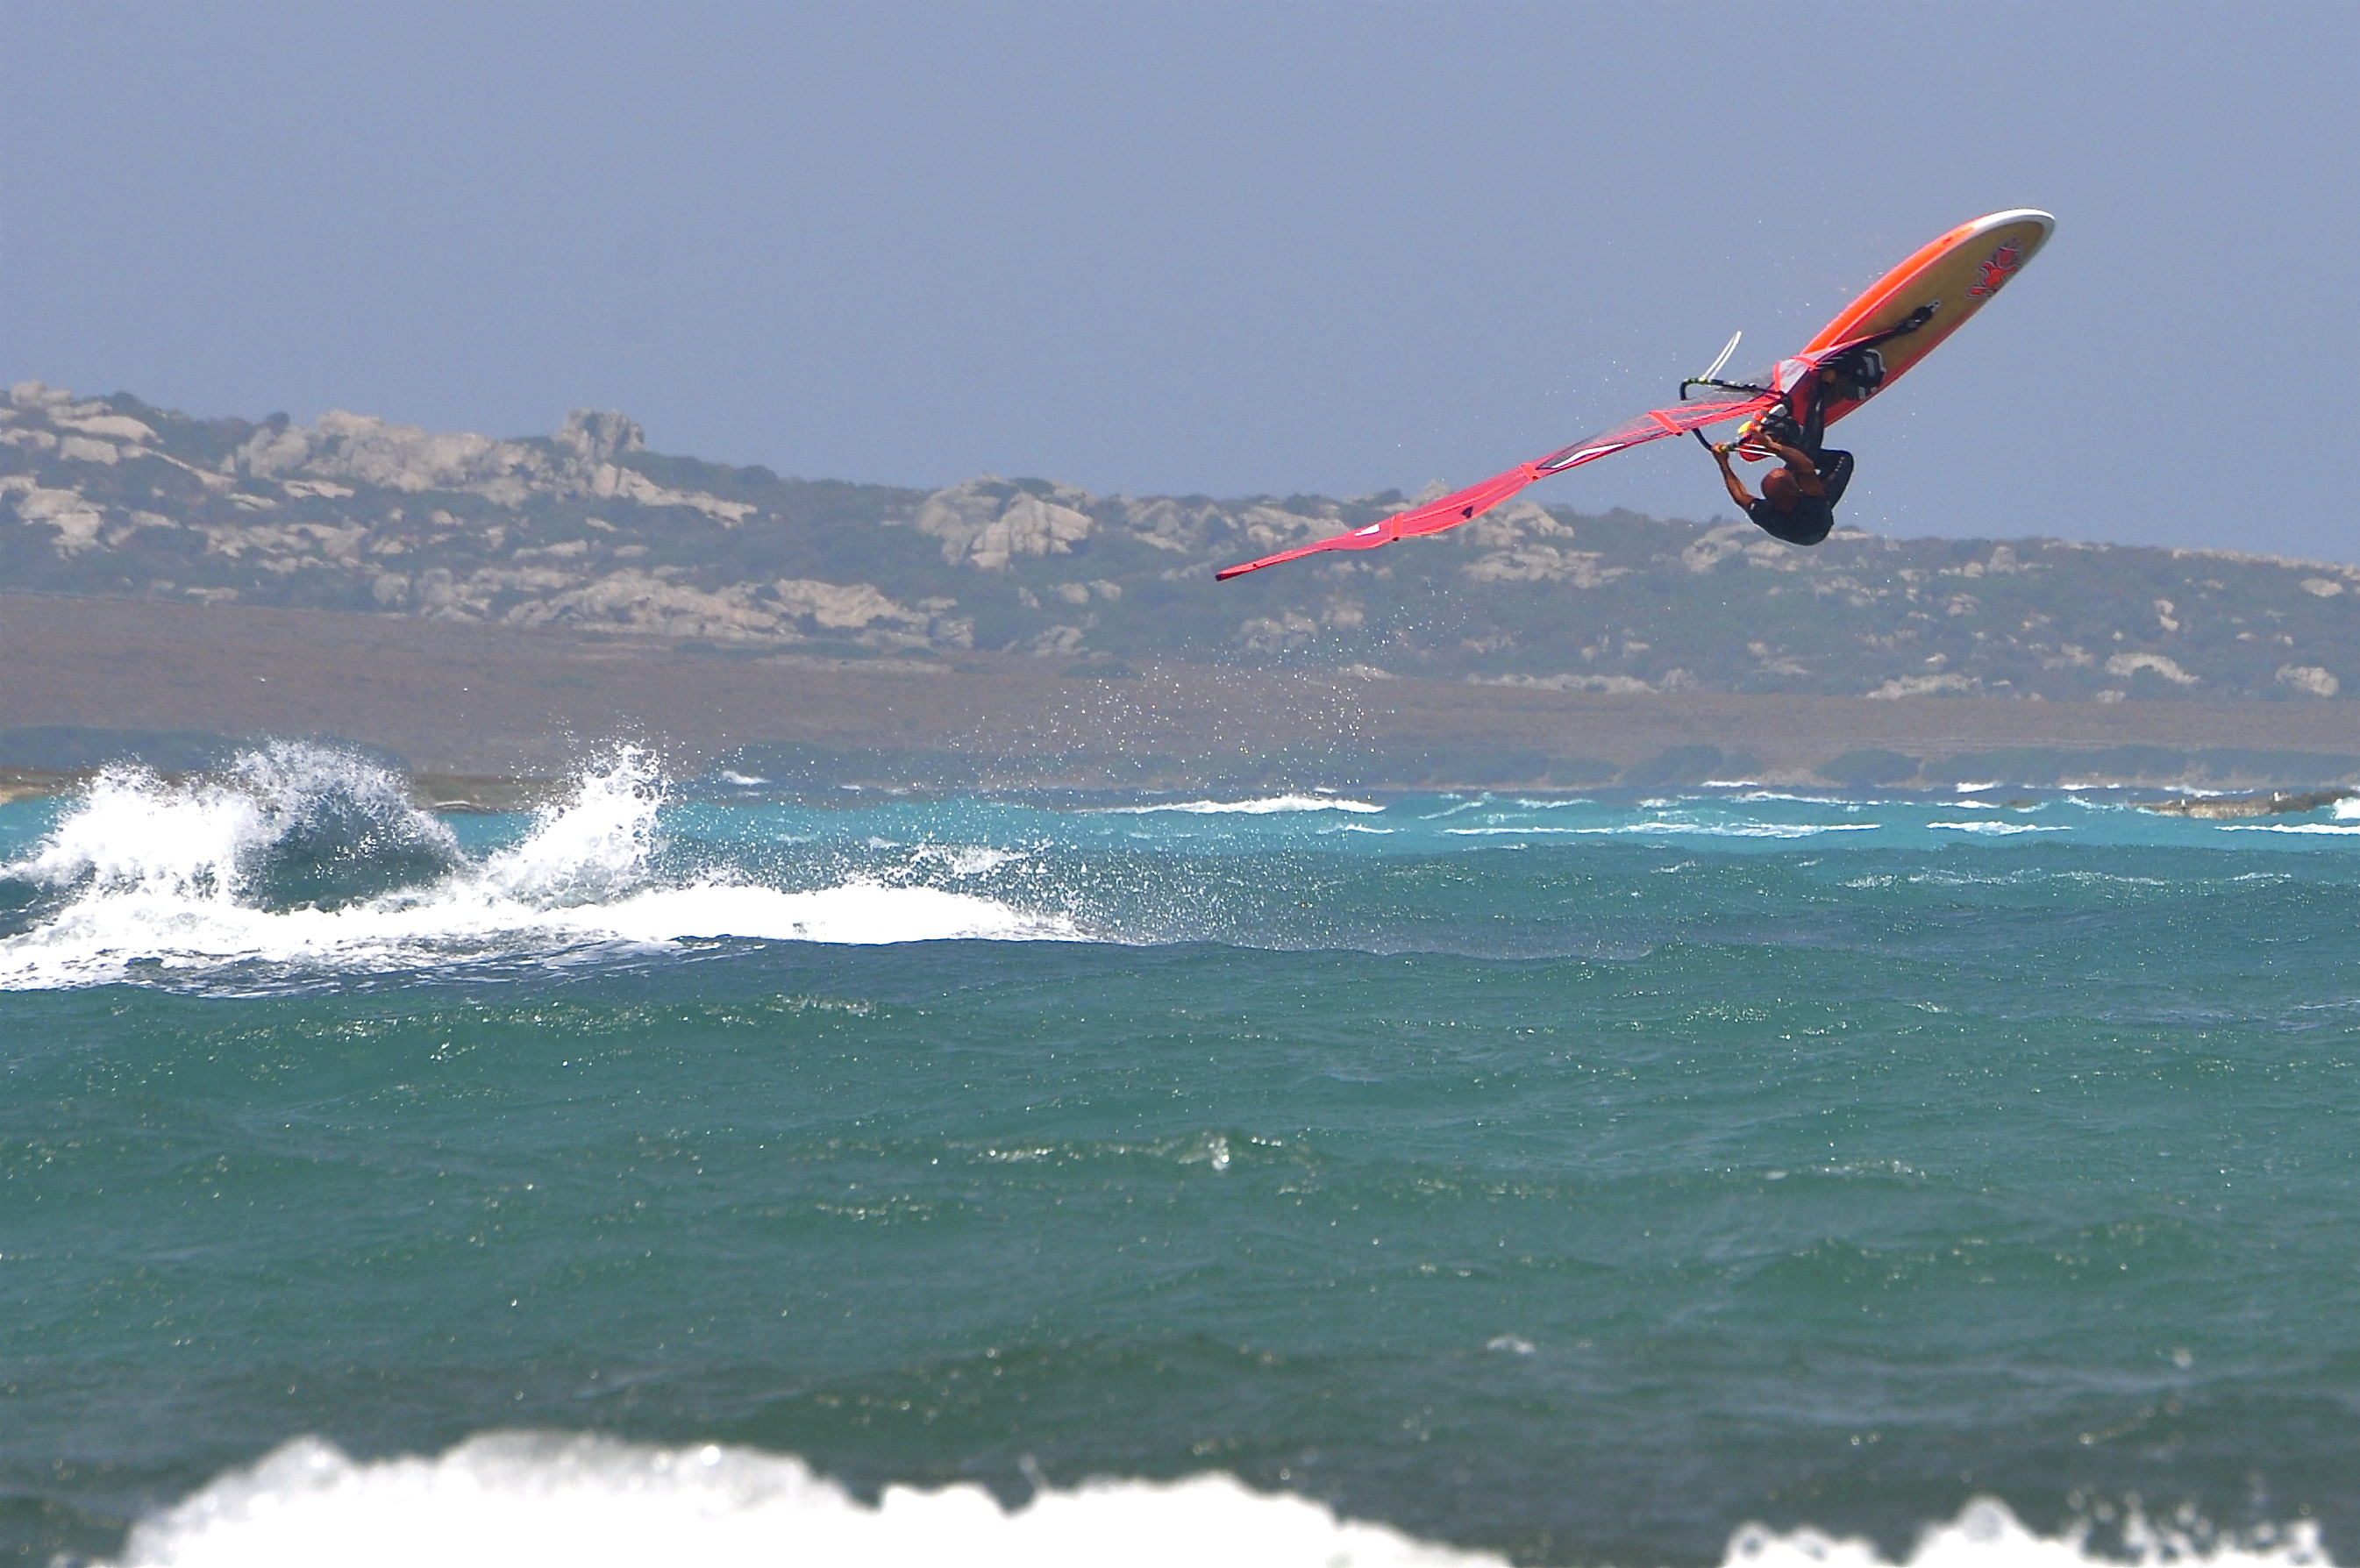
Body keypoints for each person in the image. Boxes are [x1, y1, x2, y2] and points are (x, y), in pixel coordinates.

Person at [1696, 303, 1937, 546]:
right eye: (1791, 477)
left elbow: (1740, 496)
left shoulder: (1764, 511)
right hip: (1815, 526)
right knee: (1836, 459)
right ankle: (1824, 387)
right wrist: (1771, 446)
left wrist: (1723, 463)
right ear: (1795, 491)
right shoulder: (1811, 504)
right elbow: (1806, 466)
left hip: (1790, 505)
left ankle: (1788, 437)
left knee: (1800, 453)